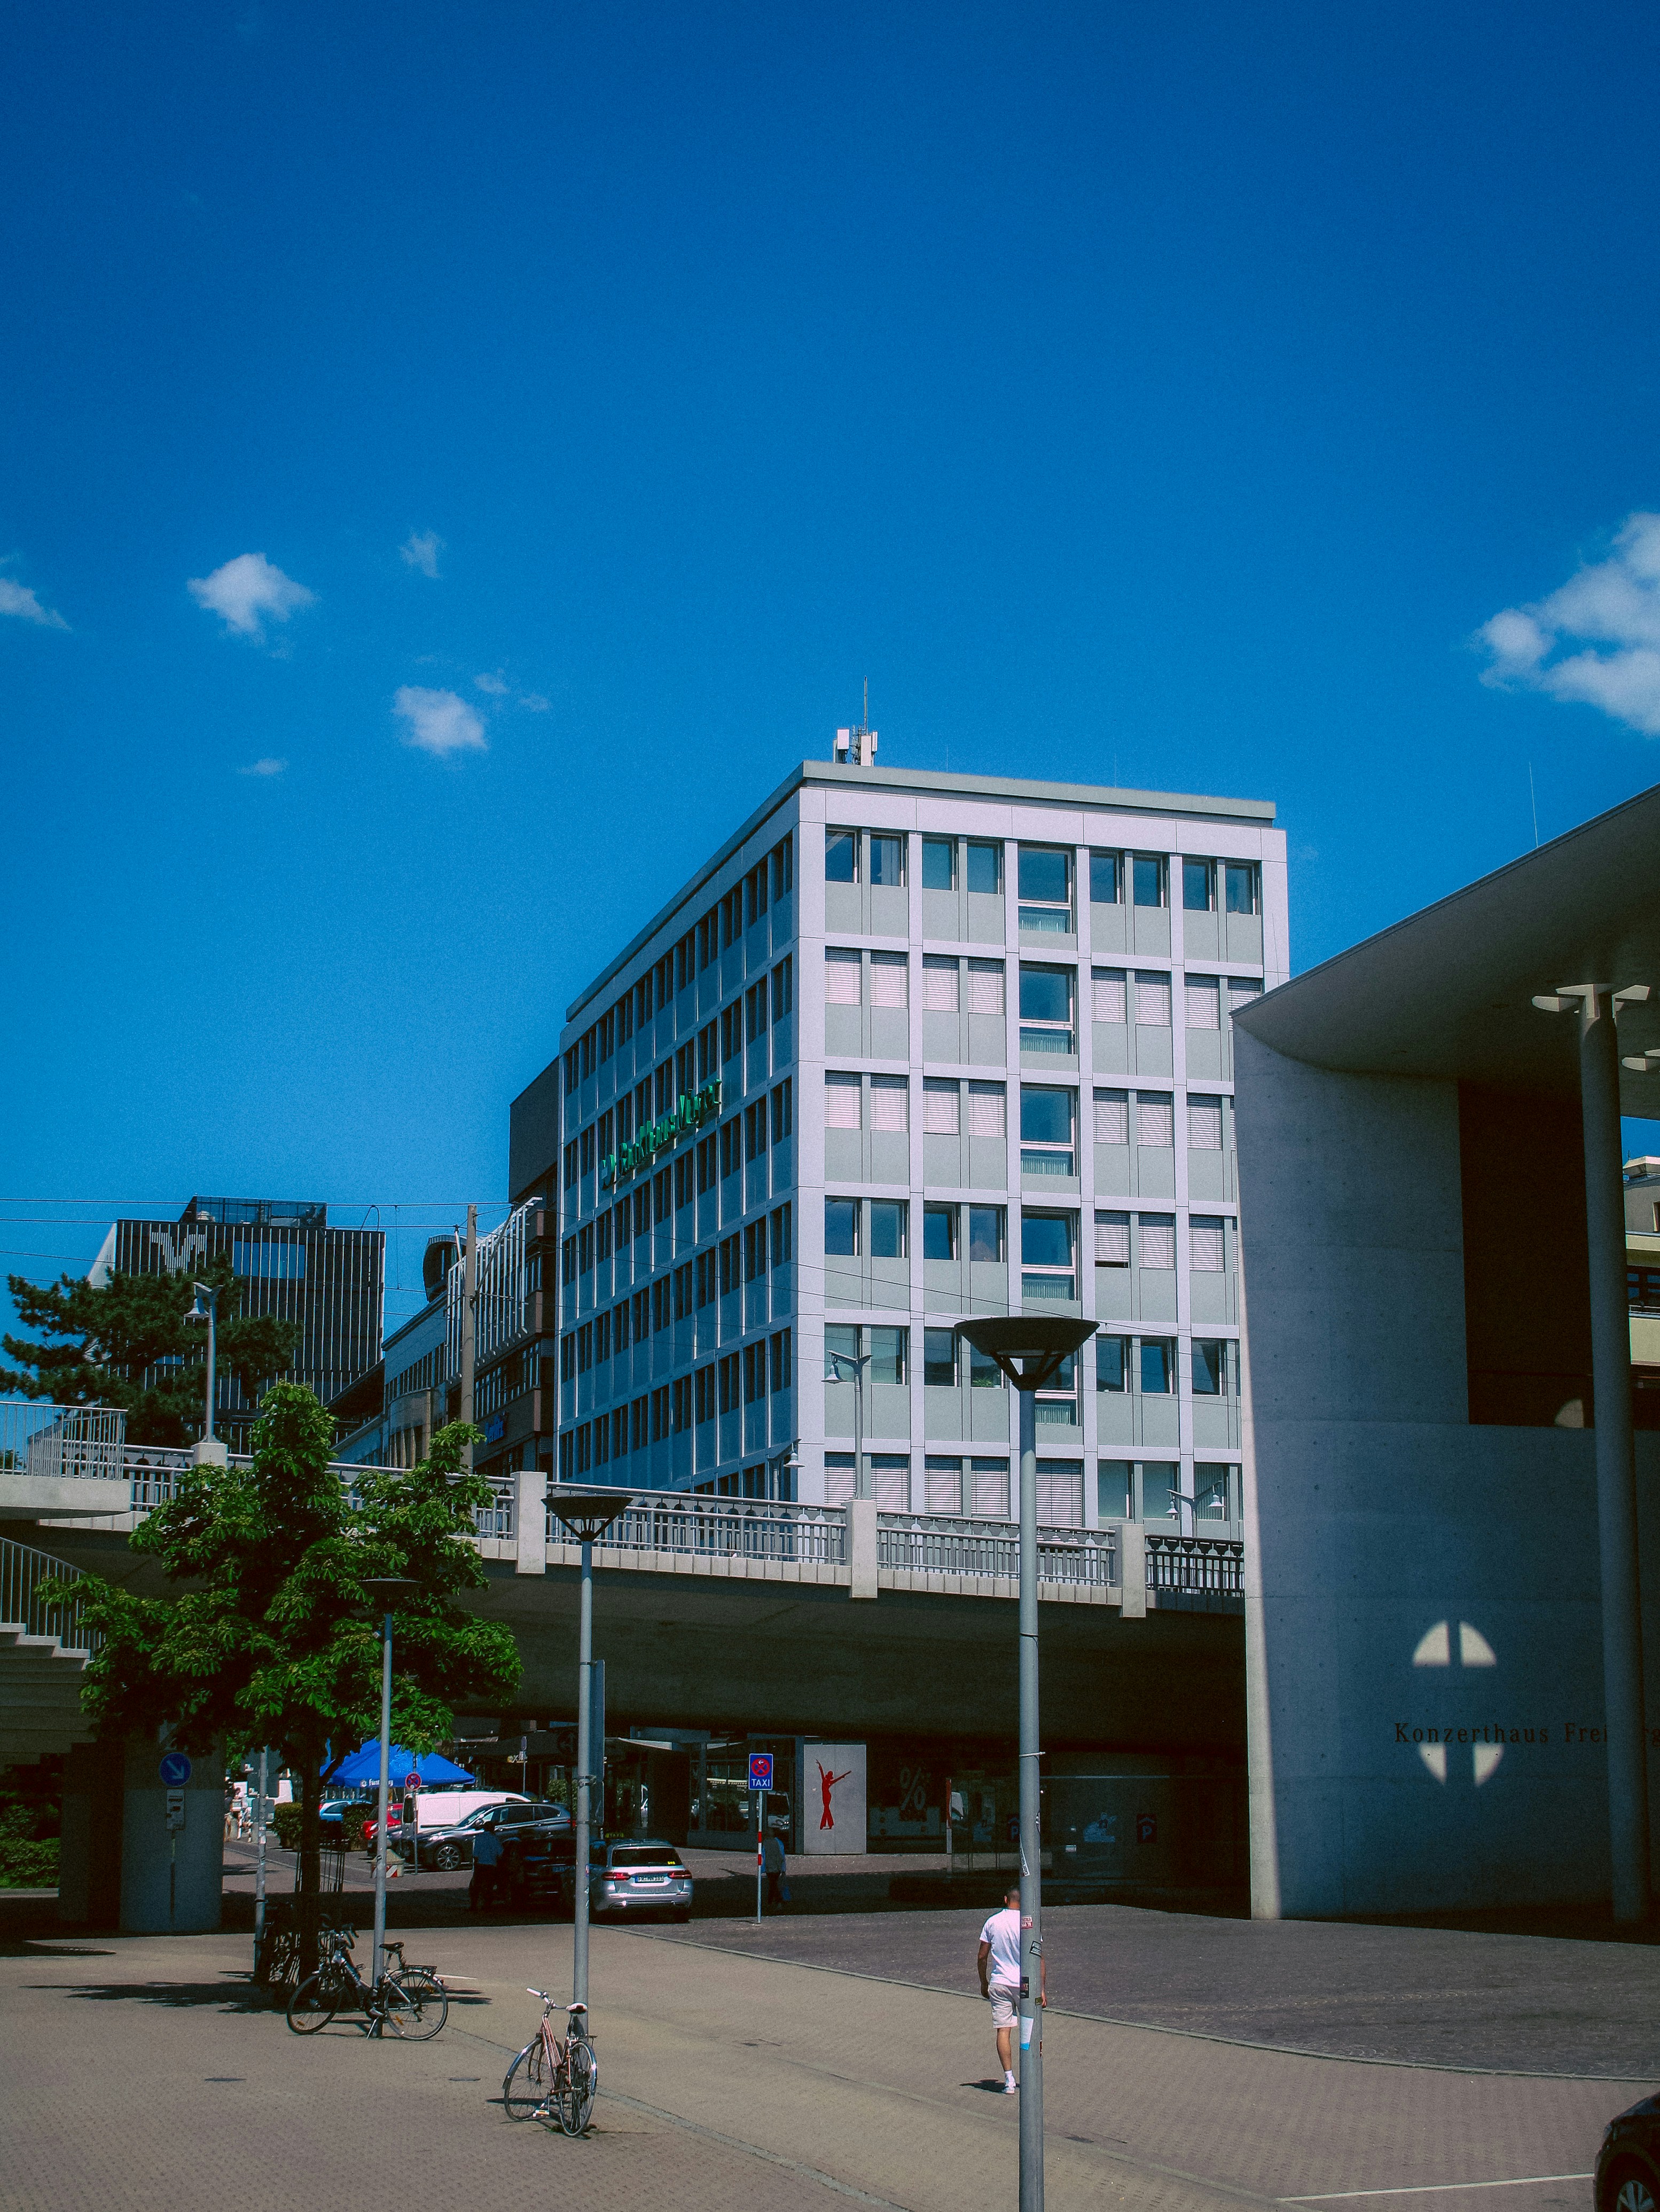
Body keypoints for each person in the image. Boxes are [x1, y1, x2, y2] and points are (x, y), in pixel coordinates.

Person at [977, 1885, 1045, 2095]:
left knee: (1003, 2031)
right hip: (1024, 1983)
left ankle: (1008, 2080)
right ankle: (1031, 2077)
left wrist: (983, 1982)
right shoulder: (1029, 1924)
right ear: (1023, 1902)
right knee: (1030, 2027)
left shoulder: (992, 1922)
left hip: (999, 1982)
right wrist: (1042, 1989)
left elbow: (982, 1956)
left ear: (1005, 1899)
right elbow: (1039, 1958)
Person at [469, 1822, 505, 1911]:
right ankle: (488, 1906)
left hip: (480, 1865)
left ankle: (474, 1905)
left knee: (476, 1886)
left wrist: (476, 1866)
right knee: (489, 1886)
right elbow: (500, 1854)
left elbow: (476, 1854)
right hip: (491, 1866)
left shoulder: (479, 1838)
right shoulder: (495, 1839)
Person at [762, 1822, 787, 1911]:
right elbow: (780, 1856)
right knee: (773, 1885)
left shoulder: (767, 1843)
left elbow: (765, 1855)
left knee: (773, 1885)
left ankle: (776, 1901)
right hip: (775, 1867)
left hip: (772, 1867)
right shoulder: (776, 1842)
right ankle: (772, 1902)